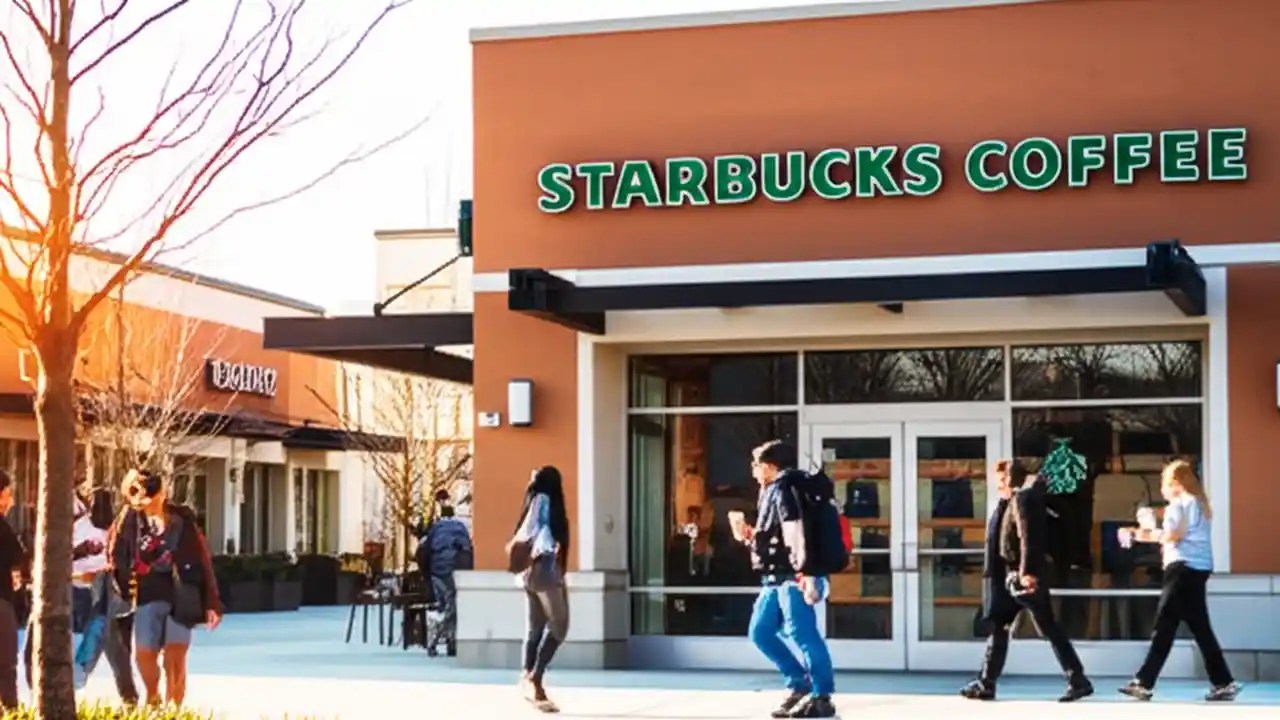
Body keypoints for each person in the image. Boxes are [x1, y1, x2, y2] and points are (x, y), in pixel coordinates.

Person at [960, 460, 1093, 703]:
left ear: (1010, 480)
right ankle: (986, 683)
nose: (998, 485)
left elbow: (1028, 537)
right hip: (1013, 576)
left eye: (1001, 480)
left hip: (1023, 577)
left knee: (1048, 627)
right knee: (1002, 625)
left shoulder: (1023, 499)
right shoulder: (1011, 501)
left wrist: (1028, 573)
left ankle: (1078, 679)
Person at [1117, 460, 1241, 702]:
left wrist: (1138, 534)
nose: (1162, 490)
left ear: (1175, 483)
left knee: (1164, 625)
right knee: (1199, 628)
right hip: (1199, 568)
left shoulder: (1180, 503)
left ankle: (1144, 682)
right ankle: (1223, 682)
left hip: (1181, 568)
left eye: (1164, 484)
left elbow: (1174, 535)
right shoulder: (1200, 504)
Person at [732, 440, 836, 719]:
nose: (753, 470)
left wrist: (807, 572)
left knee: (804, 635)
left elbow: (795, 531)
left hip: (794, 576)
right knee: (761, 632)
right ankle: (799, 683)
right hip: (775, 577)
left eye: (755, 464)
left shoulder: (784, 488)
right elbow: (776, 537)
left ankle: (822, 697)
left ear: (769, 466)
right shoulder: (770, 491)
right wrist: (751, 538)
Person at [109, 469, 222, 707]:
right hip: (146, 594)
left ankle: (174, 708)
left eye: (152, 499)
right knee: (144, 653)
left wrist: (212, 603)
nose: (146, 505)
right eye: (141, 500)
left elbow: (203, 559)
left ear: (163, 494)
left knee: (175, 656)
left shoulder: (182, 520)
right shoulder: (128, 520)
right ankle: (153, 696)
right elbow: (115, 557)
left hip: (183, 595)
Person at [511, 466, 570, 714]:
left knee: (535, 627)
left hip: (527, 574)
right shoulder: (547, 504)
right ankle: (536, 676)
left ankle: (528, 677)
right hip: (546, 571)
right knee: (559, 625)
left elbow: (522, 534)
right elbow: (551, 537)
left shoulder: (531, 500)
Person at [77, 490, 139, 704]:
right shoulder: (79, 528)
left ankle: (128, 695)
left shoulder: (115, 529)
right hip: (81, 590)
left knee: (114, 644)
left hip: (108, 591)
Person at [415, 503, 473, 656]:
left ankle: (445, 640)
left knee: (448, 607)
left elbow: (424, 552)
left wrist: (426, 576)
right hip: (456, 573)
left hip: (438, 573)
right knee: (452, 608)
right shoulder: (461, 528)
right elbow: (468, 550)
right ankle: (446, 641)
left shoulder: (436, 528)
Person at [0, 471, 27, 710]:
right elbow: (20, 558)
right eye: (8, 495)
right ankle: (10, 710)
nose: (11, 502)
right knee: (6, 662)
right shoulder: (3, 529)